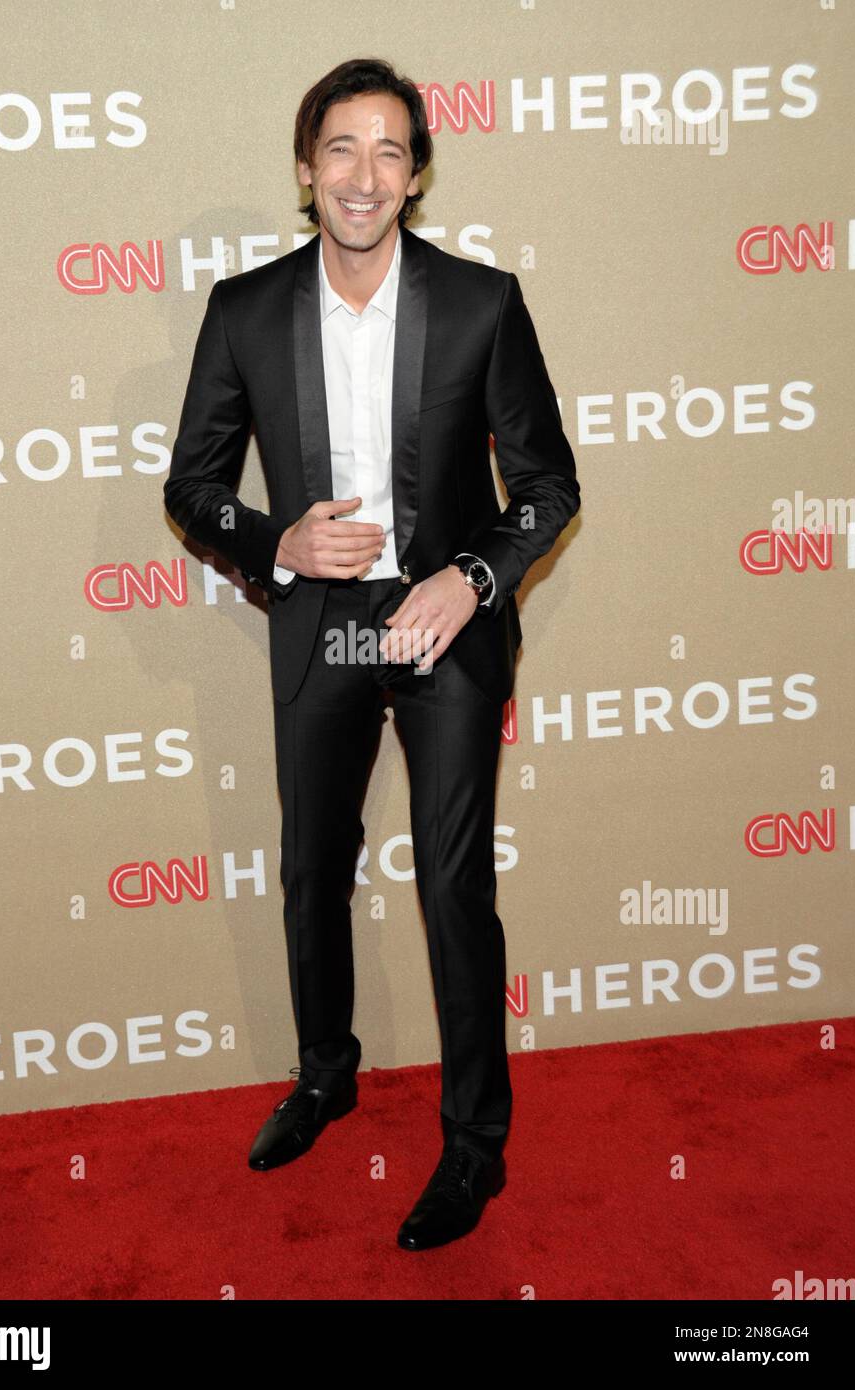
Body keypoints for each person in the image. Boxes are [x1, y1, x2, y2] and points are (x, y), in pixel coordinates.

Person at [163, 57, 580, 1251]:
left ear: (417, 174)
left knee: (454, 884)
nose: (363, 174)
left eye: (389, 150)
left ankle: (473, 1146)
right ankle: (327, 1072)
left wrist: (473, 577)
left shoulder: (480, 302)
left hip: (443, 618)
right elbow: (192, 485)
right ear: (306, 170)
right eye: (341, 148)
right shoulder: (245, 311)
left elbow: (548, 488)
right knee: (308, 869)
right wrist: (275, 538)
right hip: (320, 618)